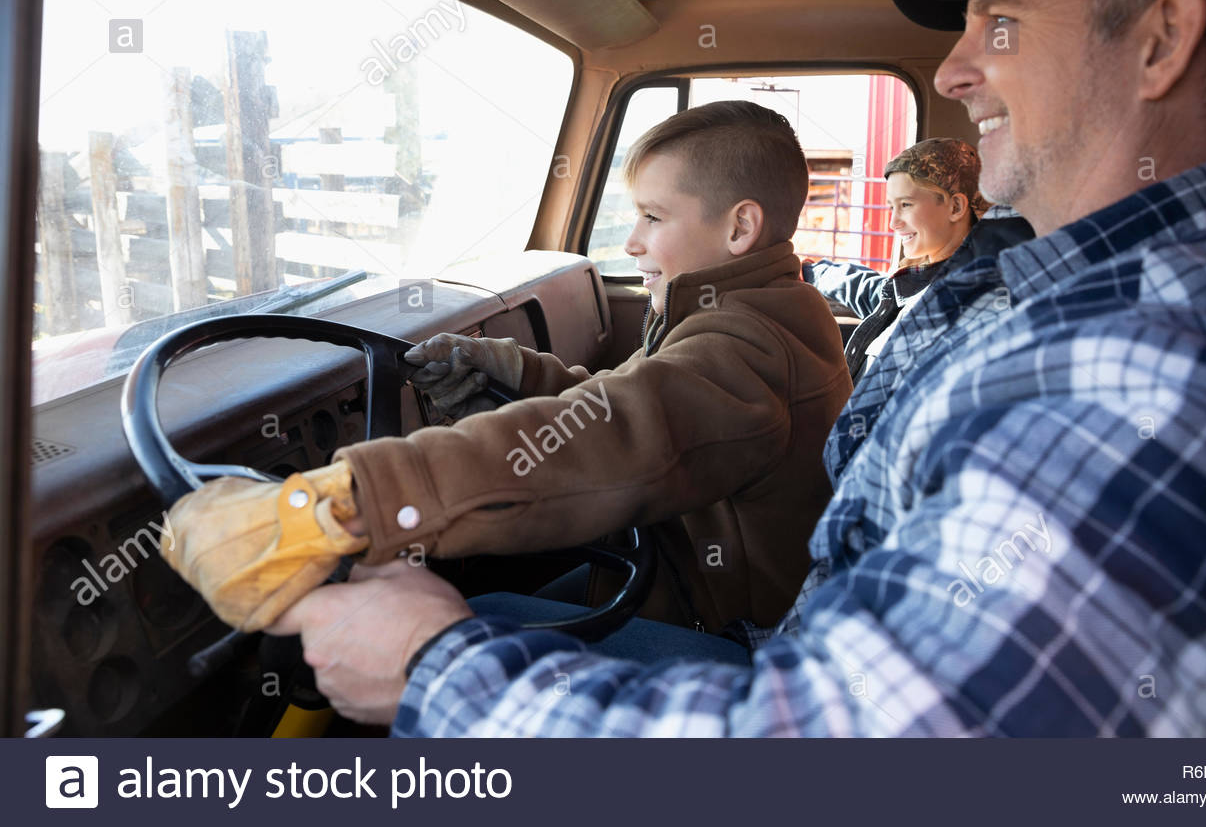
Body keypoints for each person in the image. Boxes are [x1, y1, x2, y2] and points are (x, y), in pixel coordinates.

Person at [209, 0, 1206, 735]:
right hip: (792, 624)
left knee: (471, 620)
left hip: (756, 641)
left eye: (996, 24)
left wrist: (411, 624)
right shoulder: (1065, 282)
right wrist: (507, 376)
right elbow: (628, 400)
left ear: (1159, 41)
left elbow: (855, 753)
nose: (958, 71)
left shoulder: (1146, 363)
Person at [162, 100, 852, 646]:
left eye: (652, 216)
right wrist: (505, 370)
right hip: (686, 580)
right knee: (481, 609)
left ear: (740, 229)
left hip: (733, 640)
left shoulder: (749, 341)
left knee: (454, 632)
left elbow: (621, 434)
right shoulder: (742, 306)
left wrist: (341, 505)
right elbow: (617, 401)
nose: (633, 241)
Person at [803, 137, 1033, 378]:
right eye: (892, 207)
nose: (893, 222)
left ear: (955, 207)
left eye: (906, 205)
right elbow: (876, 291)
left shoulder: (962, 303)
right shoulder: (925, 278)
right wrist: (813, 273)